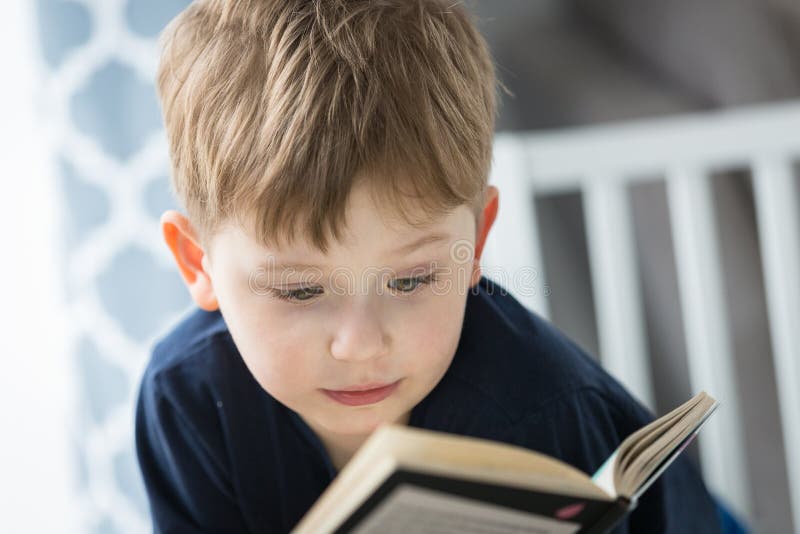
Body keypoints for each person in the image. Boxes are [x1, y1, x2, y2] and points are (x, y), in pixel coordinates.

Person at [134, 0, 722, 532]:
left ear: (477, 242)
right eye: (300, 290)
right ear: (197, 262)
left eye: (411, 279)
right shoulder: (186, 401)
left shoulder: (543, 413)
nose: (361, 345)